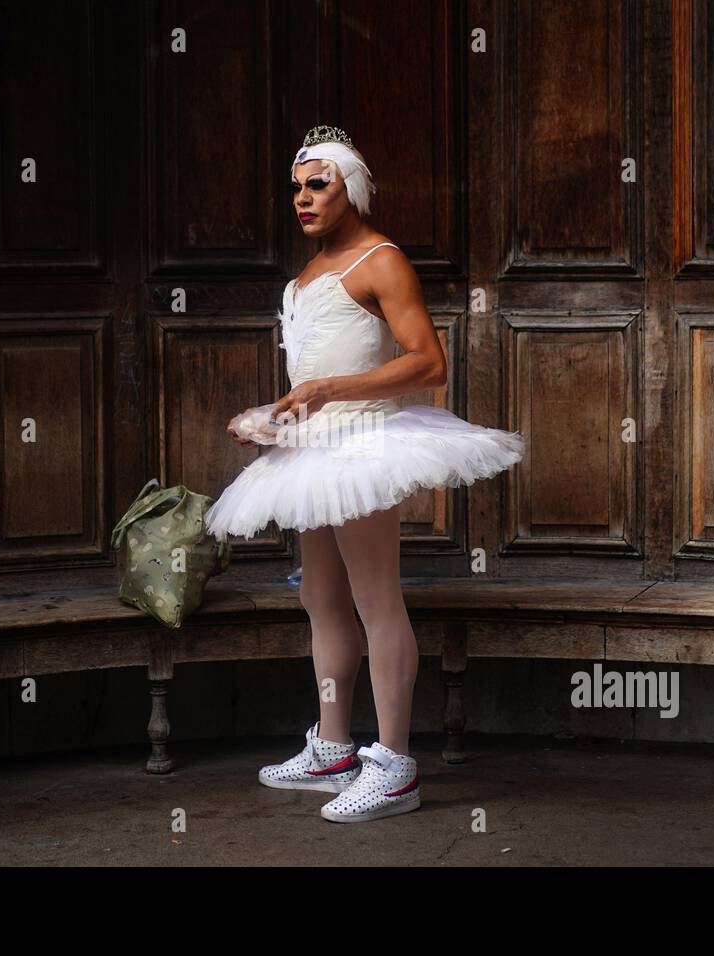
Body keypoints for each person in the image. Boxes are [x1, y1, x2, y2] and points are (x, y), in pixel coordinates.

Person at [203, 125, 524, 823]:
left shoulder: (381, 261)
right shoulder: (307, 276)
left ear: (352, 187)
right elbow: (311, 378)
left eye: (319, 183)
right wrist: (272, 417)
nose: (303, 197)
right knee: (320, 598)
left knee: (377, 600)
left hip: (364, 447)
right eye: (296, 186)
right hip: (311, 452)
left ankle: (396, 764)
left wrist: (327, 393)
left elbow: (429, 365)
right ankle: (334, 748)